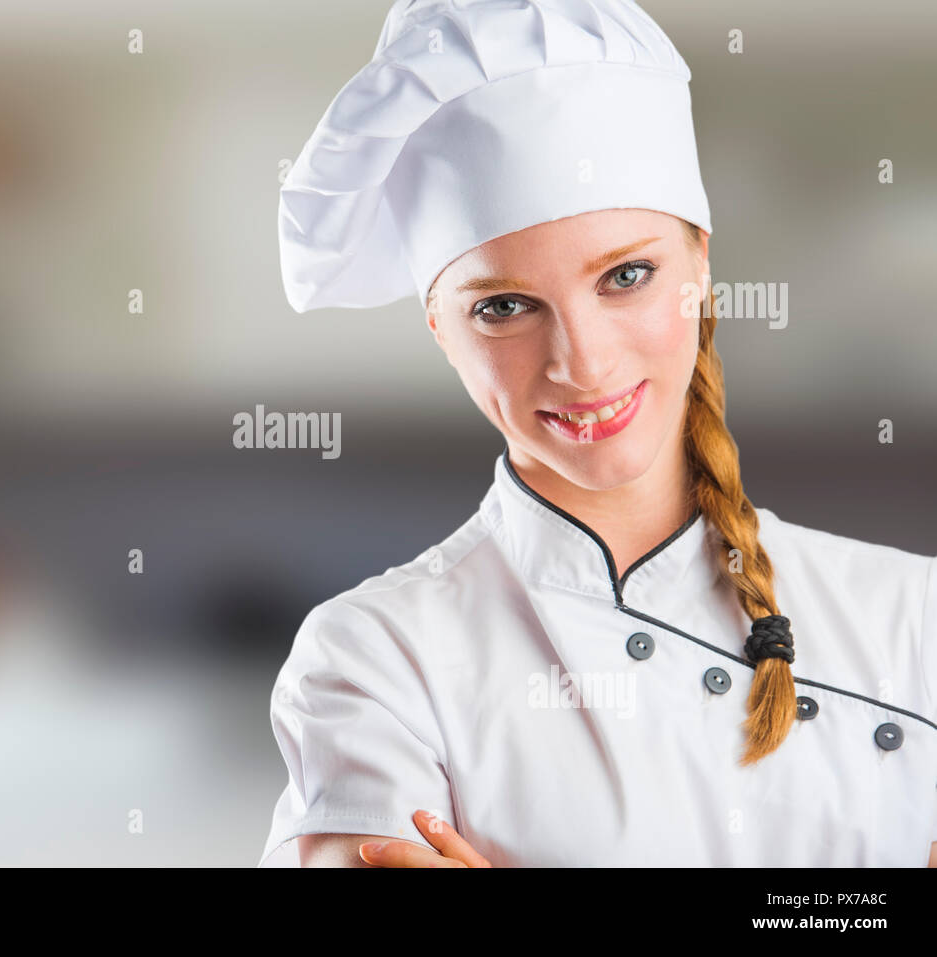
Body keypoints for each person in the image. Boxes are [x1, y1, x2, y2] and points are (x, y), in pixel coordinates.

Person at [258, 0, 937, 867]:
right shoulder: (378, 659)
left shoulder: (917, 618)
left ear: (699, 266)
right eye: (504, 307)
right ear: (439, 324)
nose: (581, 364)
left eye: (627, 275)